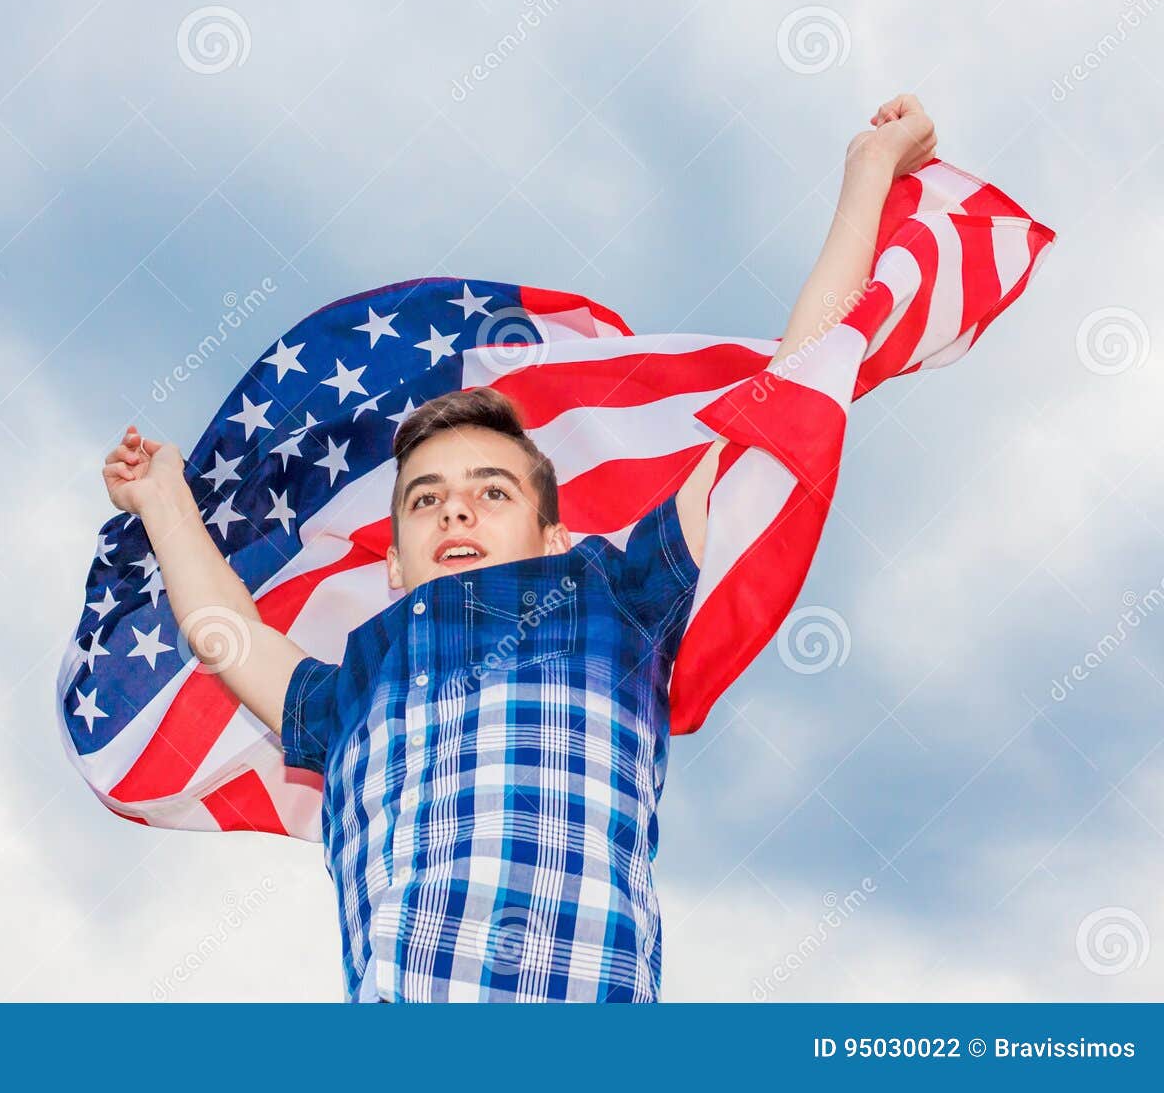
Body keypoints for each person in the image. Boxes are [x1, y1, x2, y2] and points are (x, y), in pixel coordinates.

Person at [102, 94, 938, 1002]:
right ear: (395, 560)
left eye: (491, 492)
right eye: (425, 499)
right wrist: (163, 498)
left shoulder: (616, 603)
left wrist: (866, 175)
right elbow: (225, 629)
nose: (455, 511)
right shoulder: (349, 693)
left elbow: (792, 387)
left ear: (554, 536)